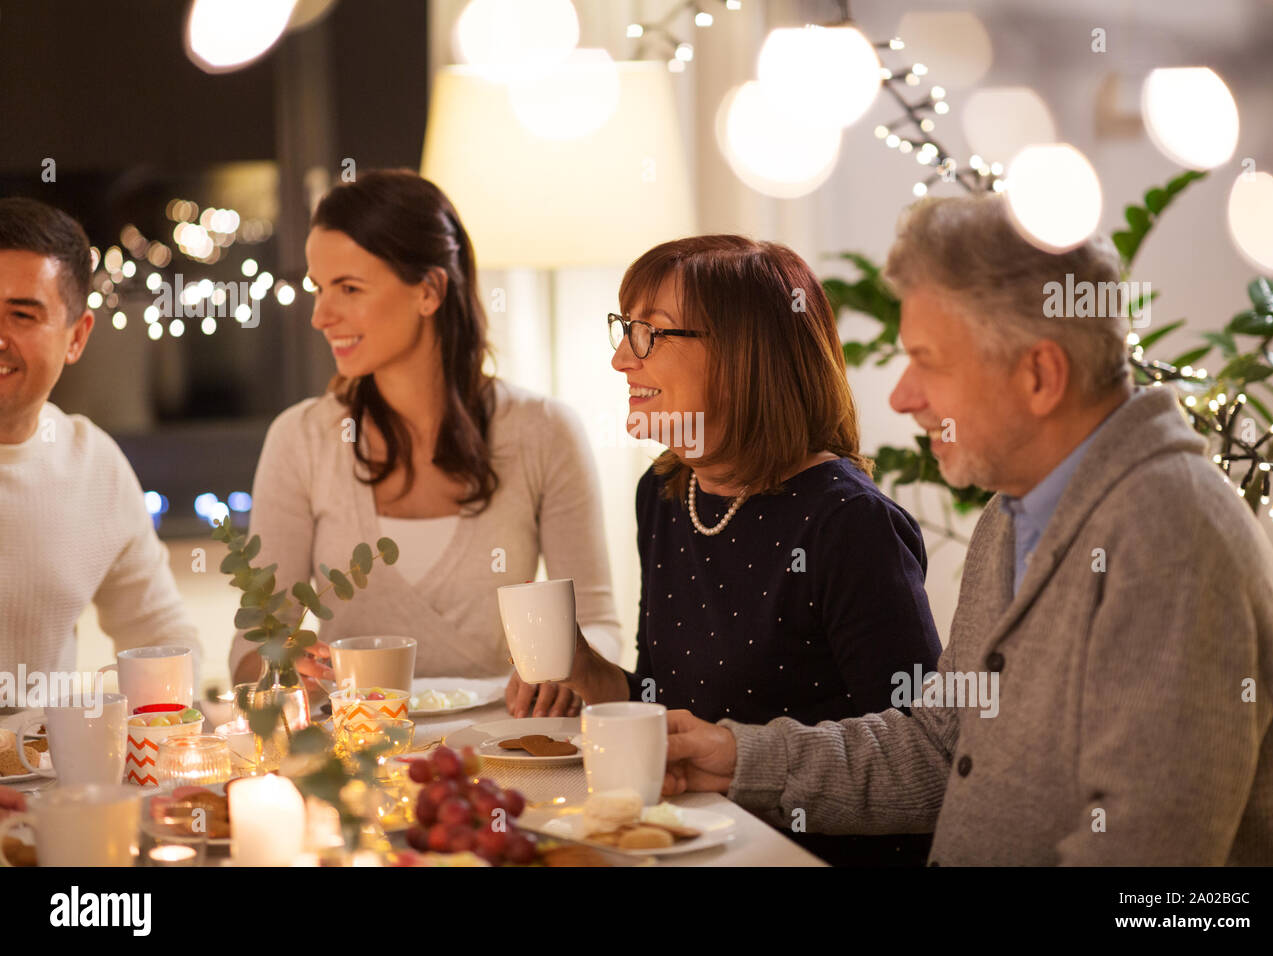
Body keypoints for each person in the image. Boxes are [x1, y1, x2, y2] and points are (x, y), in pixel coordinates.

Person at [659, 195, 1273, 865]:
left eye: (928, 361)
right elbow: (942, 747)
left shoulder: (1171, 542)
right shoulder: (1012, 514)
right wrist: (738, 760)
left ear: (1039, 375)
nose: (902, 397)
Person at [509, 234, 943, 865]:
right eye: (624, 329)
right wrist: (583, 669)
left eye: (650, 333)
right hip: (692, 839)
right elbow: (667, 706)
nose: (621, 361)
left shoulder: (850, 522)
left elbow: (918, 760)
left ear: (746, 355)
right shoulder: (665, 493)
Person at [229, 171, 620, 716]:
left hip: (509, 756)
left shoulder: (545, 432)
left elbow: (599, 624)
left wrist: (568, 671)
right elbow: (252, 654)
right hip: (362, 761)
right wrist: (283, 671)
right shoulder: (301, 439)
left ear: (430, 291)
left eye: (349, 288)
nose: (320, 316)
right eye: (319, 288)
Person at [0, 197, 201, 696]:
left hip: (41, 770)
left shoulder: (93, 465)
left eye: (22, 315)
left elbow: (160, 635)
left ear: (76, 337)